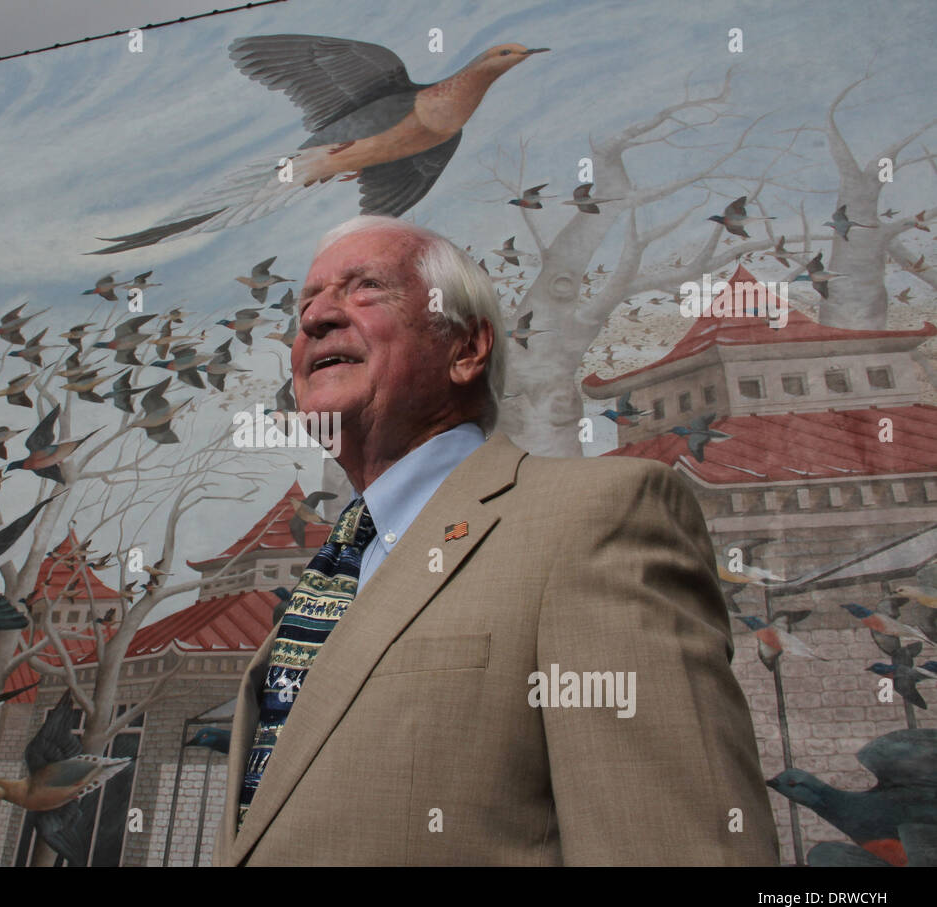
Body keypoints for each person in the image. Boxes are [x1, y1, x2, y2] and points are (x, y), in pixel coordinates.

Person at [213, 214, 779, 866]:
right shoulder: (332, 570)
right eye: (307, 303)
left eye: (364, 289)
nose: (315, 320)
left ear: (467, 349)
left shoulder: (596, 518)